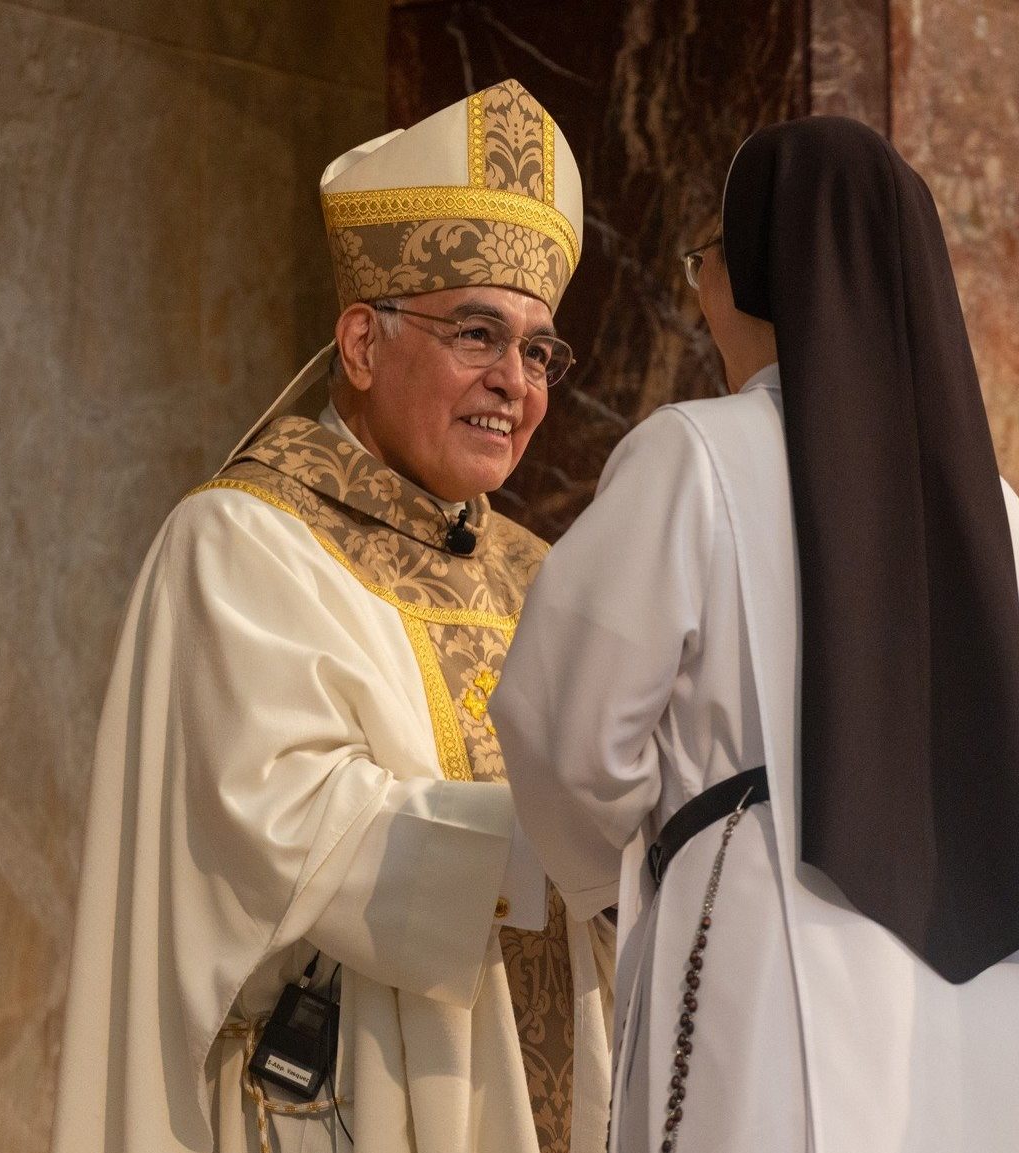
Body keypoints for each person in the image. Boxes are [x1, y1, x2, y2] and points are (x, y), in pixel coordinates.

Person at [490, 117, 1019, 1153]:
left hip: (759, 937)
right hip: (985, 1005)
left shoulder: (692, 453)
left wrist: (615, 869)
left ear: (763, 267)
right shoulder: (1001, 518)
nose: (696, 290)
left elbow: (564, 727)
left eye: (705, 259)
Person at [51, 79, 612, 1153]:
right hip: (346, 1100)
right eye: (478, 335)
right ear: (360, 343)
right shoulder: (242, 542)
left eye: (538, 351)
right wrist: (561, 839)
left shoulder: (548, 576)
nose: (515, 384)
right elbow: (291, 827)